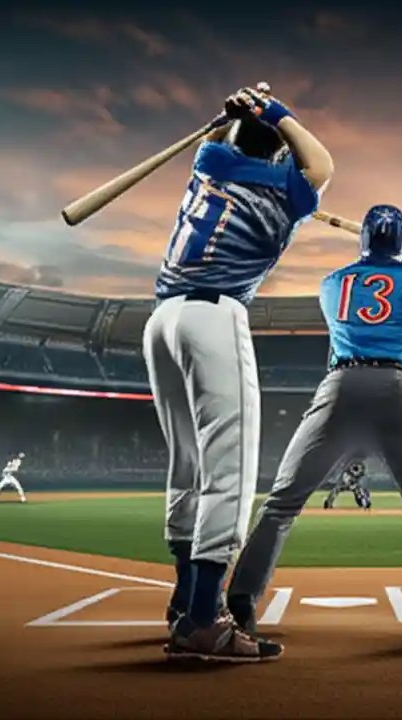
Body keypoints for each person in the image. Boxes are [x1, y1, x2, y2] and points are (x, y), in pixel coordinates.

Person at [227, 204, 402, 650]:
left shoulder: (332, 283)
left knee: (281, 504)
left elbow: (368, 291)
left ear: (364, 239)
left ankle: (239, 606)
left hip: (341, 389)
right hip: (397, 390)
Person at [146, 85, 333, 663]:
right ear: (275, 152)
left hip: (160, 321)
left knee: (189, 468)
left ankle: (184, 603)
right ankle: (206, 620)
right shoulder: (287, 188)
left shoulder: (209, 162)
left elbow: (220, 141)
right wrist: (276, 113)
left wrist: (237, 115)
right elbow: (322, 164)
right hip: (215, 315)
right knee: (229, 472)